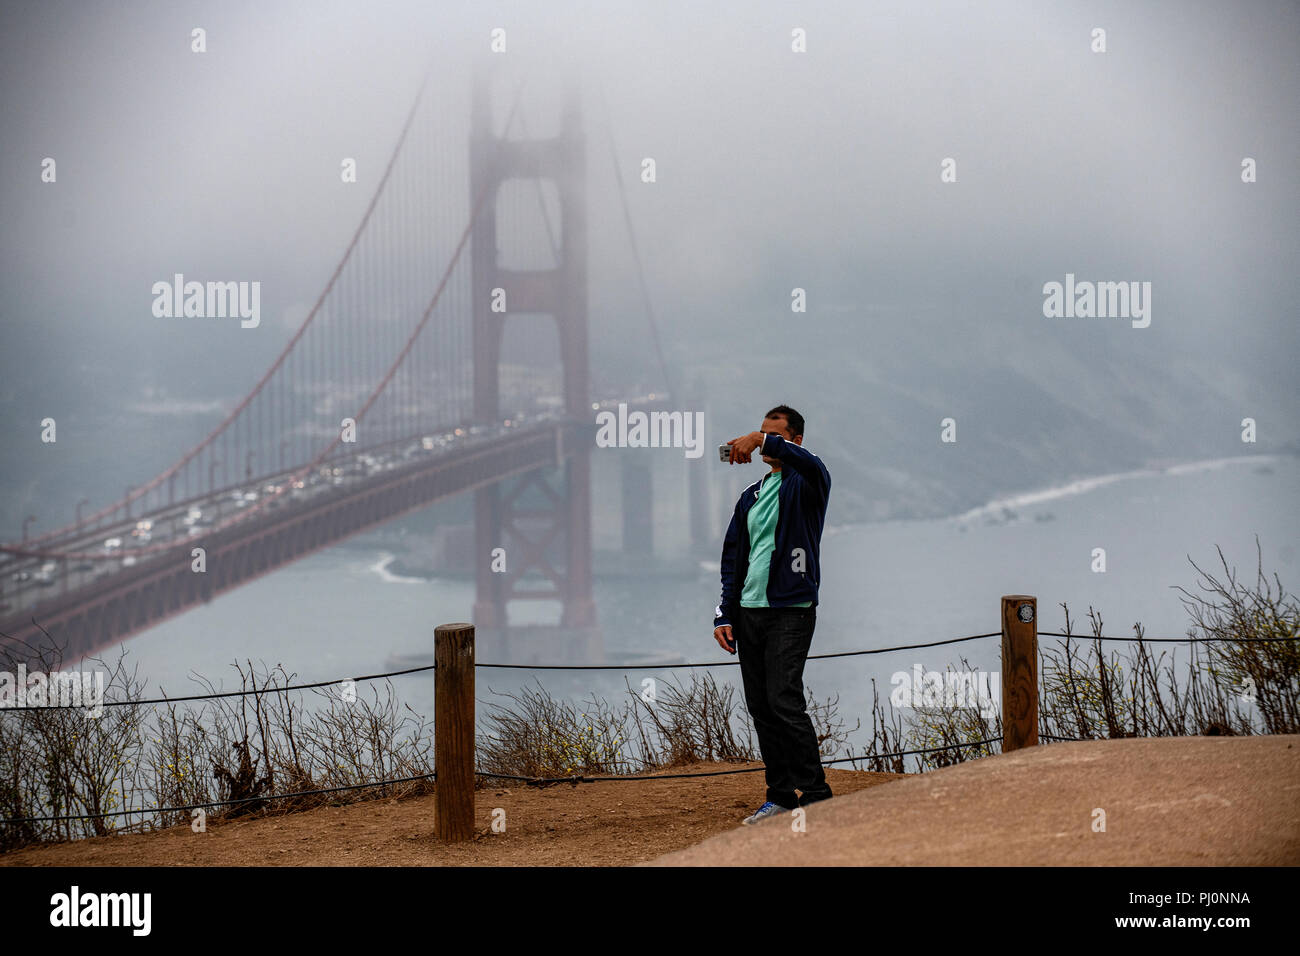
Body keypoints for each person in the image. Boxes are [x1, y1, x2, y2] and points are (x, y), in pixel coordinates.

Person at [714, 404, 832, 825]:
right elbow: (733, 559)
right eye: (762, 432)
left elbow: (810, 462)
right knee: (761, 706)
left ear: (794, 439)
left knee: (785, 700)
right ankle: (781, 795)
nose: (762, 439)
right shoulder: (752, 495)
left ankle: (817, 795)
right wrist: (724, 615)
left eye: (773, 434)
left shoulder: (810, 482)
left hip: (791, 609)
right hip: (750, 612)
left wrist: (761, 440)